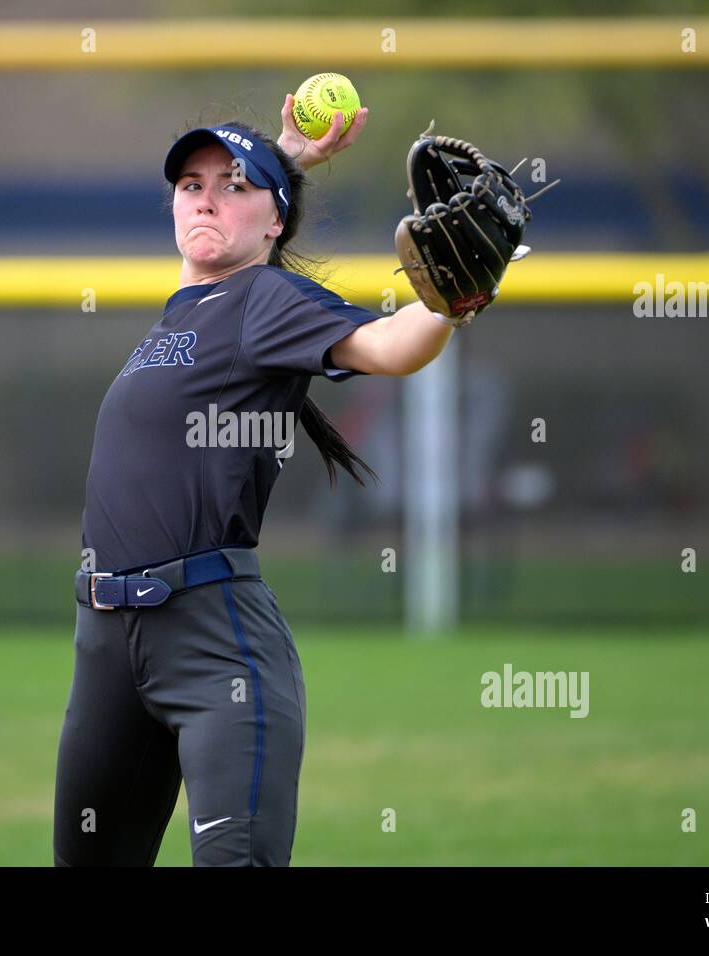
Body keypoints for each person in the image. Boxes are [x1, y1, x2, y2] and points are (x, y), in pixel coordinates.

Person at [53, 94, 463, 866]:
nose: (206, 196)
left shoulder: (262, 300)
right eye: (191, 184)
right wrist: (275, 163)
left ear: (275, 224)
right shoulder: (184, 312)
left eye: (232, 185)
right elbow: (233, 224)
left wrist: (455, 297)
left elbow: (395, 346)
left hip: (213, 644)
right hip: (105, 644)